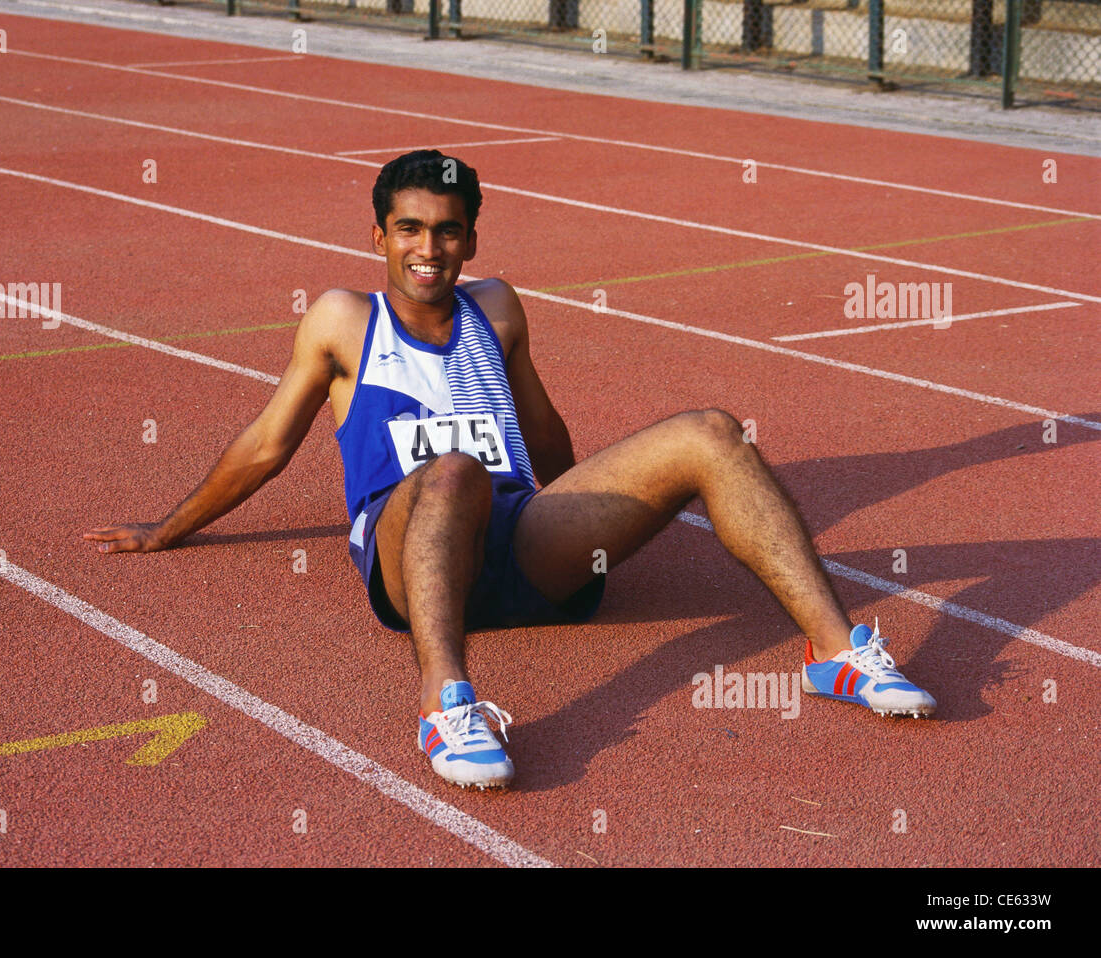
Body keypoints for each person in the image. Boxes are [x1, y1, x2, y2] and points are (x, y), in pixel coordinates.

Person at [83, 150, 936, 790]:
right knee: (452, 469)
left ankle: (838, 654)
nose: (429, 248)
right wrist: (170, 526)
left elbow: (542, 433)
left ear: (471, 237)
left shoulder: (497, 305)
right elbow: (268, 446)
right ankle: (446, 705)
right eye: (410, 229)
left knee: (711, 431)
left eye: (448, 229)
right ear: (378, 235)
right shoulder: (344, 319)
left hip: (523, 541)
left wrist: (608, 509)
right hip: (409, 550)